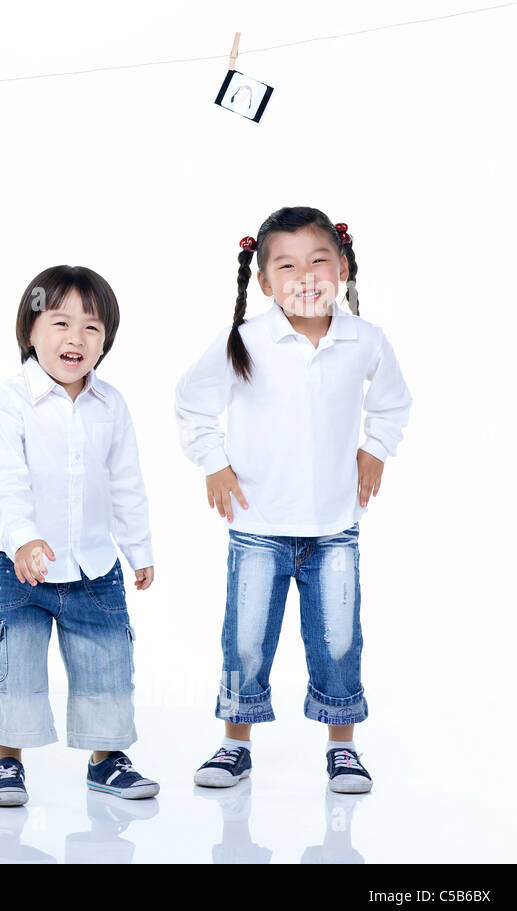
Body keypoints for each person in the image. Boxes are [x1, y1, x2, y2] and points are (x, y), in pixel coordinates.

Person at [175, 207, 412, 794]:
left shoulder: (365, 340)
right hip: (258, 522)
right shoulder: (247, 341)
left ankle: (342, 748)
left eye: (318, 261)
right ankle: (236, 743)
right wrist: (216, 464)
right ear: (264, 281)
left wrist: (375, 449)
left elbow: (392, 403)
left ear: (343, 266)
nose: (305, 276)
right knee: (247, 637)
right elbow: (192, 401)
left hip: (335, 524)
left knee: (338, 637)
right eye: (287, 265)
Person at [0, 265, 158, 807]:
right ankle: (7, 761)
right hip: (25, 570)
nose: (75, 339)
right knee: (21, 664)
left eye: (92, 328)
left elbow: (126, 482)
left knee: (107, 663)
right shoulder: (12, 400)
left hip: (95, 567)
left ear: (105, 341)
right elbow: (8, 481)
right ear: (30, 332)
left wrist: (139, 549)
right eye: (60, 323)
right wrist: (24, 540)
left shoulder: (112, 405)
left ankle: (106, 760)